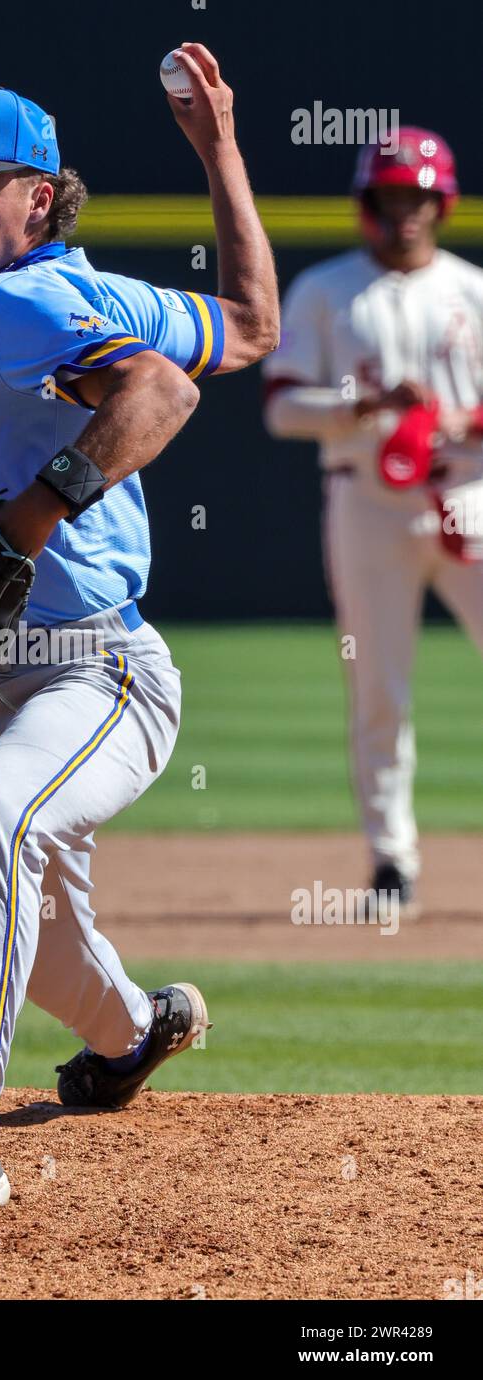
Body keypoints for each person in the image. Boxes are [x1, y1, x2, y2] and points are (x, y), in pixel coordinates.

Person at [0, 44, 278, 1242]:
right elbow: (249, 324)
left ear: (39, 196)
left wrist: (27, 514)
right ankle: (140, 1034)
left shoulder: (23, 300)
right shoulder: (87, 289)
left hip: (86, 670)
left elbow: (163, 393)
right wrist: (220, 153)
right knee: (44, 954)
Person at [263, 127, 483, 915]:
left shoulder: (471, 288)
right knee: (378, 686)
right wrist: (360, 405)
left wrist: (458, 419)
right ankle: (393, 861)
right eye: (391, 197)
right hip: (365, 502)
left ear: (441, 203)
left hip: (470, 495)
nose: (405, 213)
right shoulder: (326, 289)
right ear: (369, 204)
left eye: (418, 197)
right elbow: (281, 407)